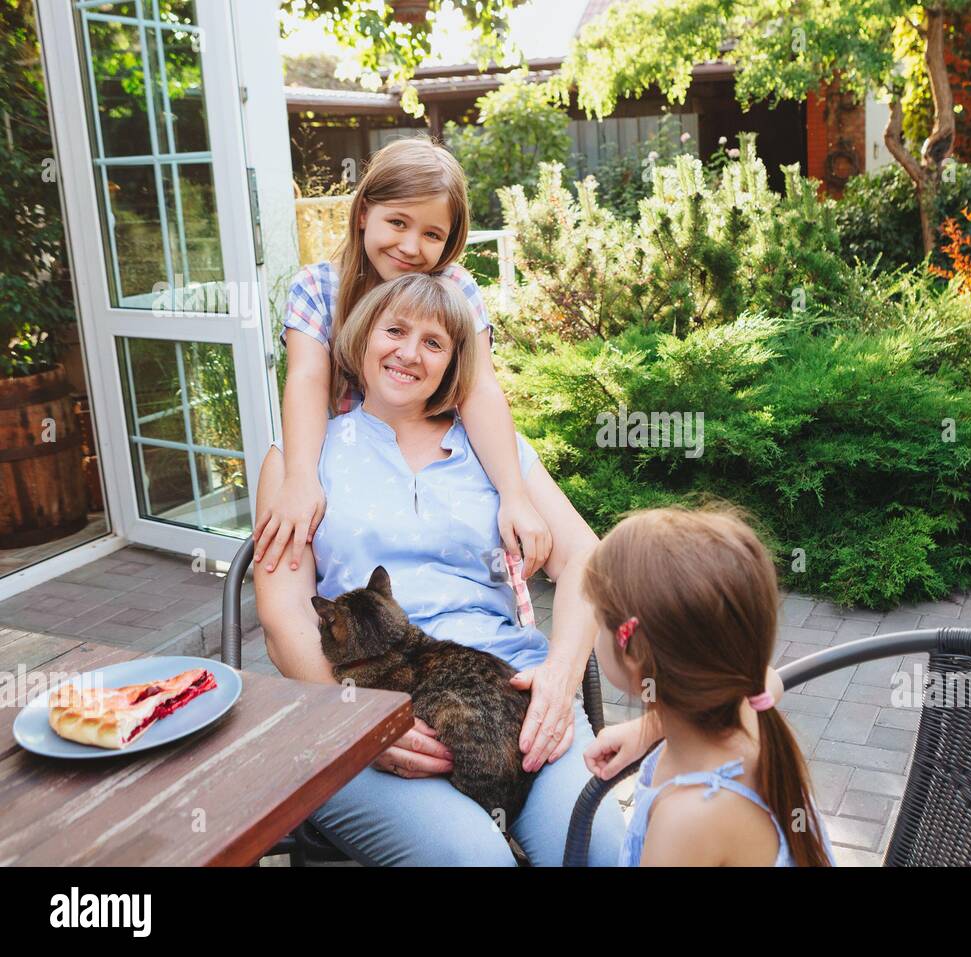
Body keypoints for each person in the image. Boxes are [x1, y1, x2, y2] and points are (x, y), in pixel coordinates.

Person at [256, 273, 624, 866]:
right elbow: (281, 614)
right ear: (359, 339)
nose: (408, 352)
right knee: (474, 862)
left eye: (434, 342)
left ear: (455, 362)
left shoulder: (493, 449)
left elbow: (590, 559)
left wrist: (559, 677)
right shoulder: (303, 456)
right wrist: (360, 726)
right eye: (394, 331)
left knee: (600, 852)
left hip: (514, 699)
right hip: (366, 706)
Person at [254, 135, 550, 581]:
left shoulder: (453, 289)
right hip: (349, 467)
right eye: (397, 222)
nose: (411, 247)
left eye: (432, 234)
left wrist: (513, 492)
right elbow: (307, 380)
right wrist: (299, 477)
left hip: (429, 465)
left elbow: (480, 388)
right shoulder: (318, 287)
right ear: (363, 213)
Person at [582, 506, 834, 866]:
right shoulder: (748, 705)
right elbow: (767, 677)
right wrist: (649, 728)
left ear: (632, 648)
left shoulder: (687, 822)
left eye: (598, 619)